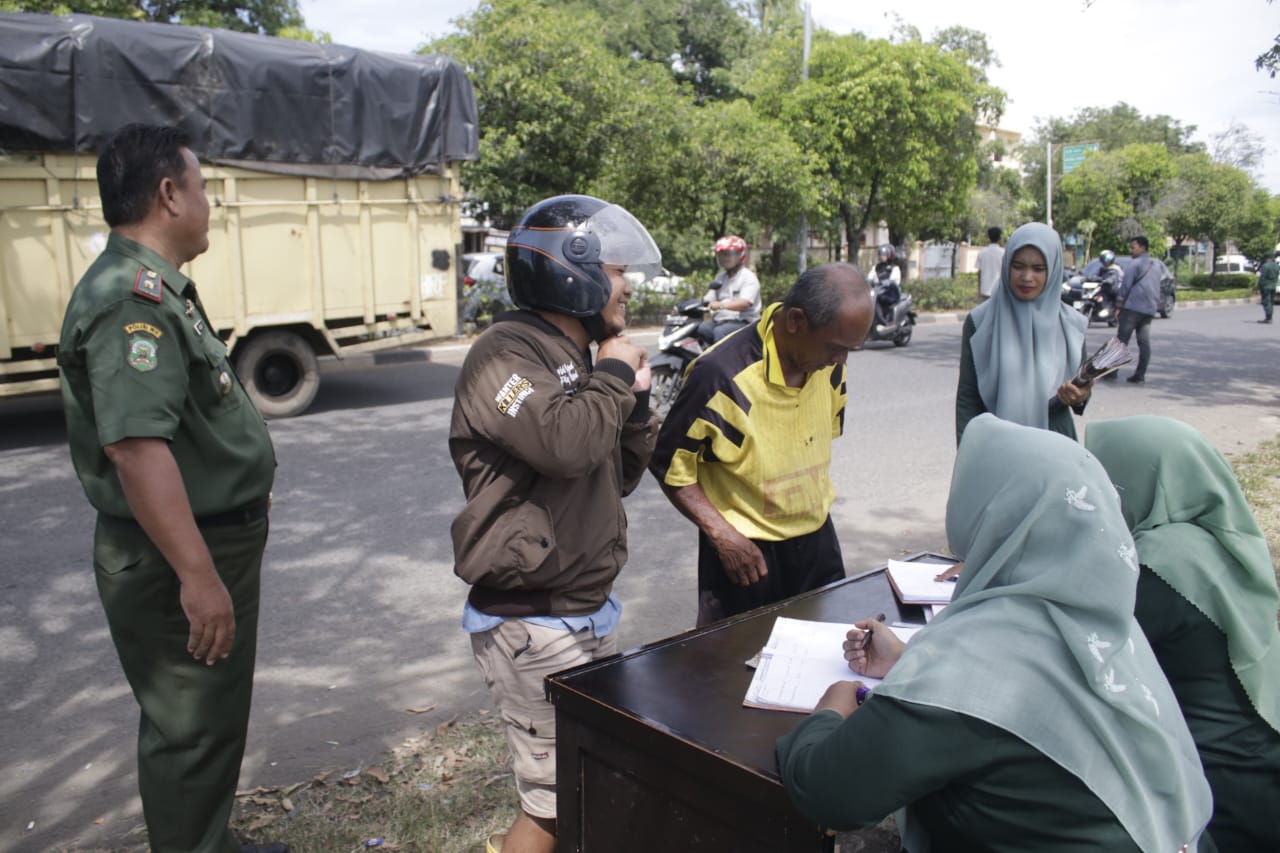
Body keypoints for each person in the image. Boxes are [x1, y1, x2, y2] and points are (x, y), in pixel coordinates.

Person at [776, 414, 1213, 853]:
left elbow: (828, 793)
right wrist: (911, 661)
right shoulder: (1105, 622)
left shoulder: (970, 660)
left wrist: (831, 709)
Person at [57, 124, 284, 853]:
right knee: (189, 728)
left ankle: (207, 840)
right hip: (178, 554)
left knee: (211, 719)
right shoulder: (132, 299)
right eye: (203, 187)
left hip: (206, 541)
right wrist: (197, 574)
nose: (210, 203)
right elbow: (133, 446)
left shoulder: (155, 288)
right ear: (168, 194)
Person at [448, 194, 661, 853]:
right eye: (620, 272)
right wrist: (616, 374)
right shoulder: (504, 354)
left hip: (580, 607)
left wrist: (638, 401)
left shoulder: (581, 359)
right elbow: (567, 443)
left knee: (591, 786)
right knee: (555, 802)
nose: (628, 287)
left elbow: (612, 471)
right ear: (578, 272)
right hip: (533, 617)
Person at [1086, 416, 1280, 851]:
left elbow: (1081, 640)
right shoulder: (1215, 541)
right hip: (1256, 770)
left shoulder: (1162, 562)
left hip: (1220, 803)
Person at [649, 264, 873, 626]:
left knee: (825, 662)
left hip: (818, 545)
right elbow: (668, 464)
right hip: (747, 558)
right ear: (796, 321)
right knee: (739, 673)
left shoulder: (829, 369)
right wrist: (722, 535)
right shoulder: (720, 376)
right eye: (835, 347)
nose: (840, 361)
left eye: (850, 351)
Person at [954, 222, 1092, 444]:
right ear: (1007, 265)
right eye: (1018, 266)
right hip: (998, 445)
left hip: (1057, 444)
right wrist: (968, 454)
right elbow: (968, 398)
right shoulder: (979, 323)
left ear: (1054, 270)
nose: (1027, 277)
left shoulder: (1072, 325)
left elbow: (1081, 393)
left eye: (1038, 269)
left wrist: (1079, 397)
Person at [696, 235, 762, 343]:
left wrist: (721, 305)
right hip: (722, 320)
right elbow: (708, 299)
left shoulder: (748, 277)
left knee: (720, 332)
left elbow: (745, 303)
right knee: (702, 328)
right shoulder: (721, 277)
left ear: (740, 255)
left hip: (745, 322)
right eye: (721, 255)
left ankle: (722, 359)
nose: (724, 258)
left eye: (728, 255)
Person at [1113, 235, 1161, 383]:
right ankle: (1140, 374)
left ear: (1143, 248)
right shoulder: (1157, 264)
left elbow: (1126, 286)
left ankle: (1111, 372)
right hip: (1149, 309)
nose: (1131, 250)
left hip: (1133, 308)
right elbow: (1165, 279)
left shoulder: (1135, 264)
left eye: (1133, 247)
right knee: (1144, 343)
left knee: (1121, 342)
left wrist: (1119, 305)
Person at [869, 243, 902, 325]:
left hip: (891, 292)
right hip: (879, 291)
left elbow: (894, 281)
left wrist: (886, 282)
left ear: (889, 255)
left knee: (877, 300)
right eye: (880, 254)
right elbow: (870, 277)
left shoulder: (894, 268)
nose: (881, 256)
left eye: (884, 254)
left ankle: (884, 322)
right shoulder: (876, 267)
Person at [975, 226, 1004, 301]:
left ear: (988, 237)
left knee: (985, 312)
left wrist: (979, 290)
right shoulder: (1004, 253)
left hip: (984, 289)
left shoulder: (982, 252)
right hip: (999, 291)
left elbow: (979, 273)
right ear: (1000, 238)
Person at [1257, 250, 1279, 324]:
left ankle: (1268, 318)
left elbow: (1262, 278)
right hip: (1273, 286)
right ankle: (1269, 317)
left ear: (1267, 258)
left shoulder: (1265, 266)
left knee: (1266, 302)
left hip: (1266, 286)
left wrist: (1259, 287)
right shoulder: (1276, 266)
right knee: (1271, 302)